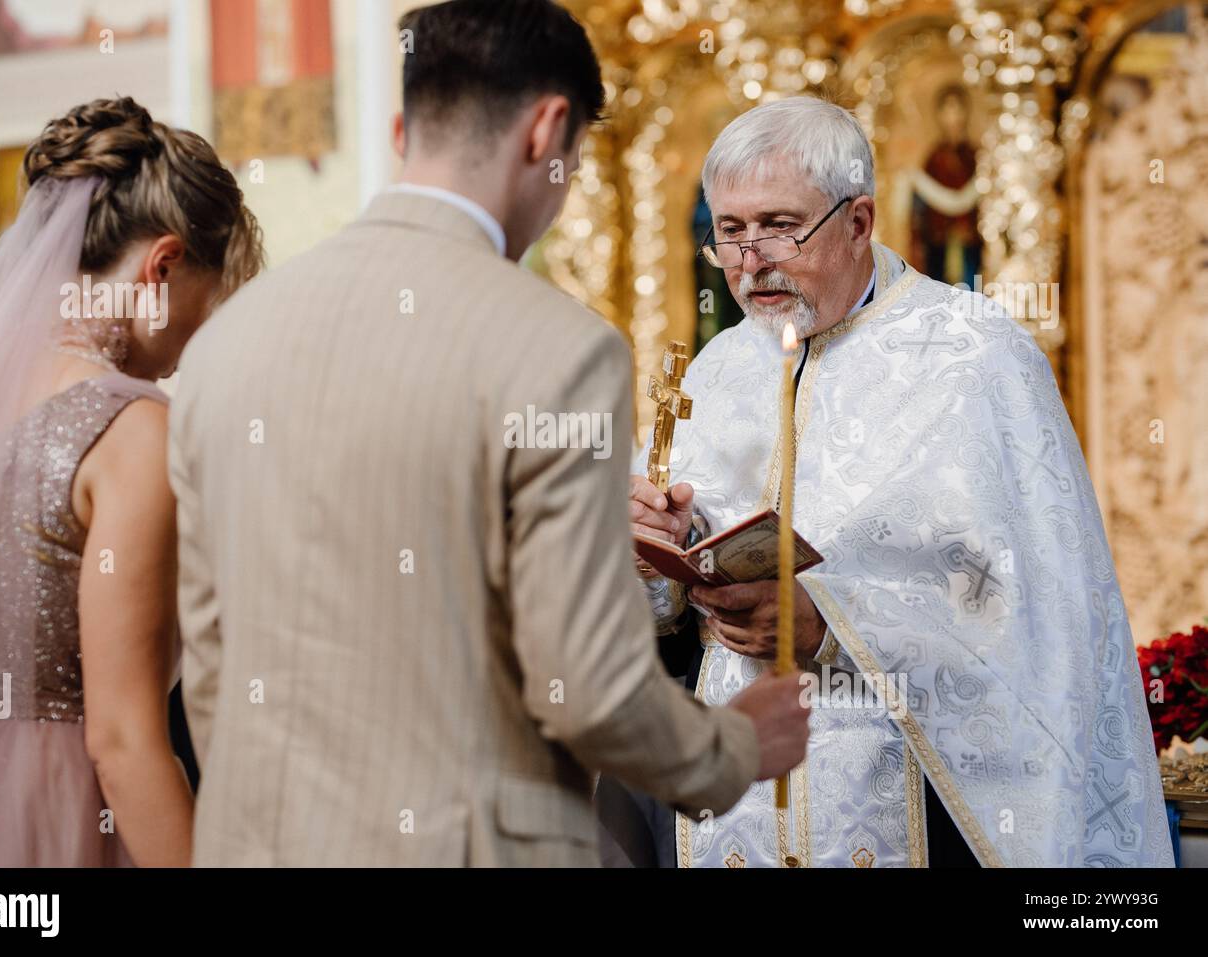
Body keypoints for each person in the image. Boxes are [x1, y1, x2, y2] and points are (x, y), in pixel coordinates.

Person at [169, 0, 809, 867]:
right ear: (548, 130)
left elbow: (209, 659)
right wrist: (735, 746)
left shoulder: (229, 340)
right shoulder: (557, 348)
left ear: (406, 126)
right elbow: (588, 691)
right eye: (575, 162)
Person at [613, 95, 1174, 868]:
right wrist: (653, 554)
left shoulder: (975, 358)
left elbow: (1036, 622)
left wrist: (828, 626)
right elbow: (661, 614)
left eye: (780, 225)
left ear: (859, 221)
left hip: (920, 813)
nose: (751, 261)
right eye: (730, 233)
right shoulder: (721, 370)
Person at [0, 96, 263, 866]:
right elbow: (124, 740)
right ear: (163, 266)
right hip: (55, 823)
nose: (189, 348)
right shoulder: (135, 430)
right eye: (210, 304)